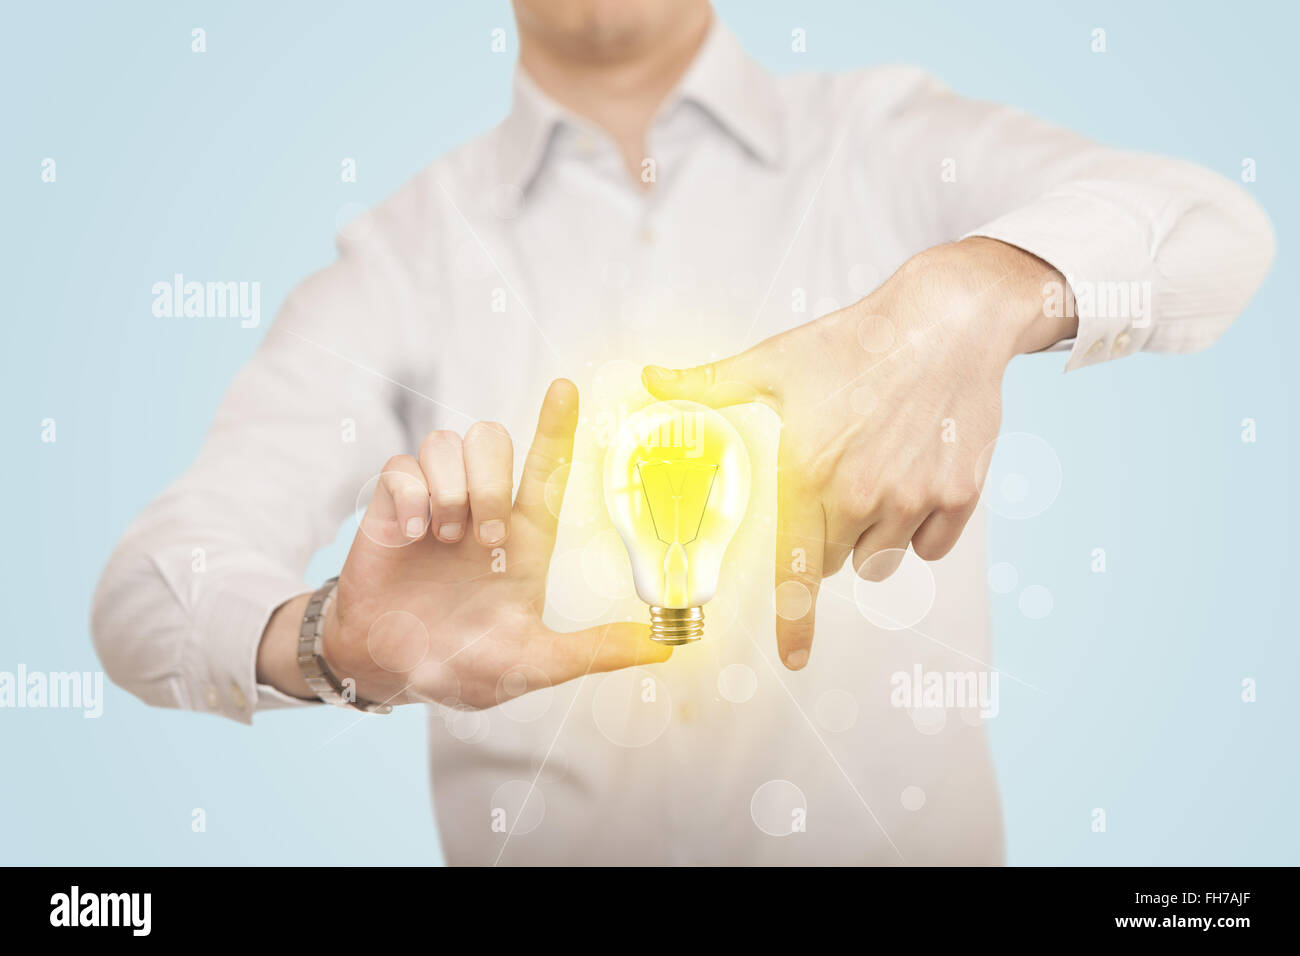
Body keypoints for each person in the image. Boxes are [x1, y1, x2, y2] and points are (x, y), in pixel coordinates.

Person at [92, 0, 1274, 865]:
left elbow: (1216, 230)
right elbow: (150, 587)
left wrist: (983, 290)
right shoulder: (407, 255)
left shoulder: (884, 140)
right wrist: (331, 643)